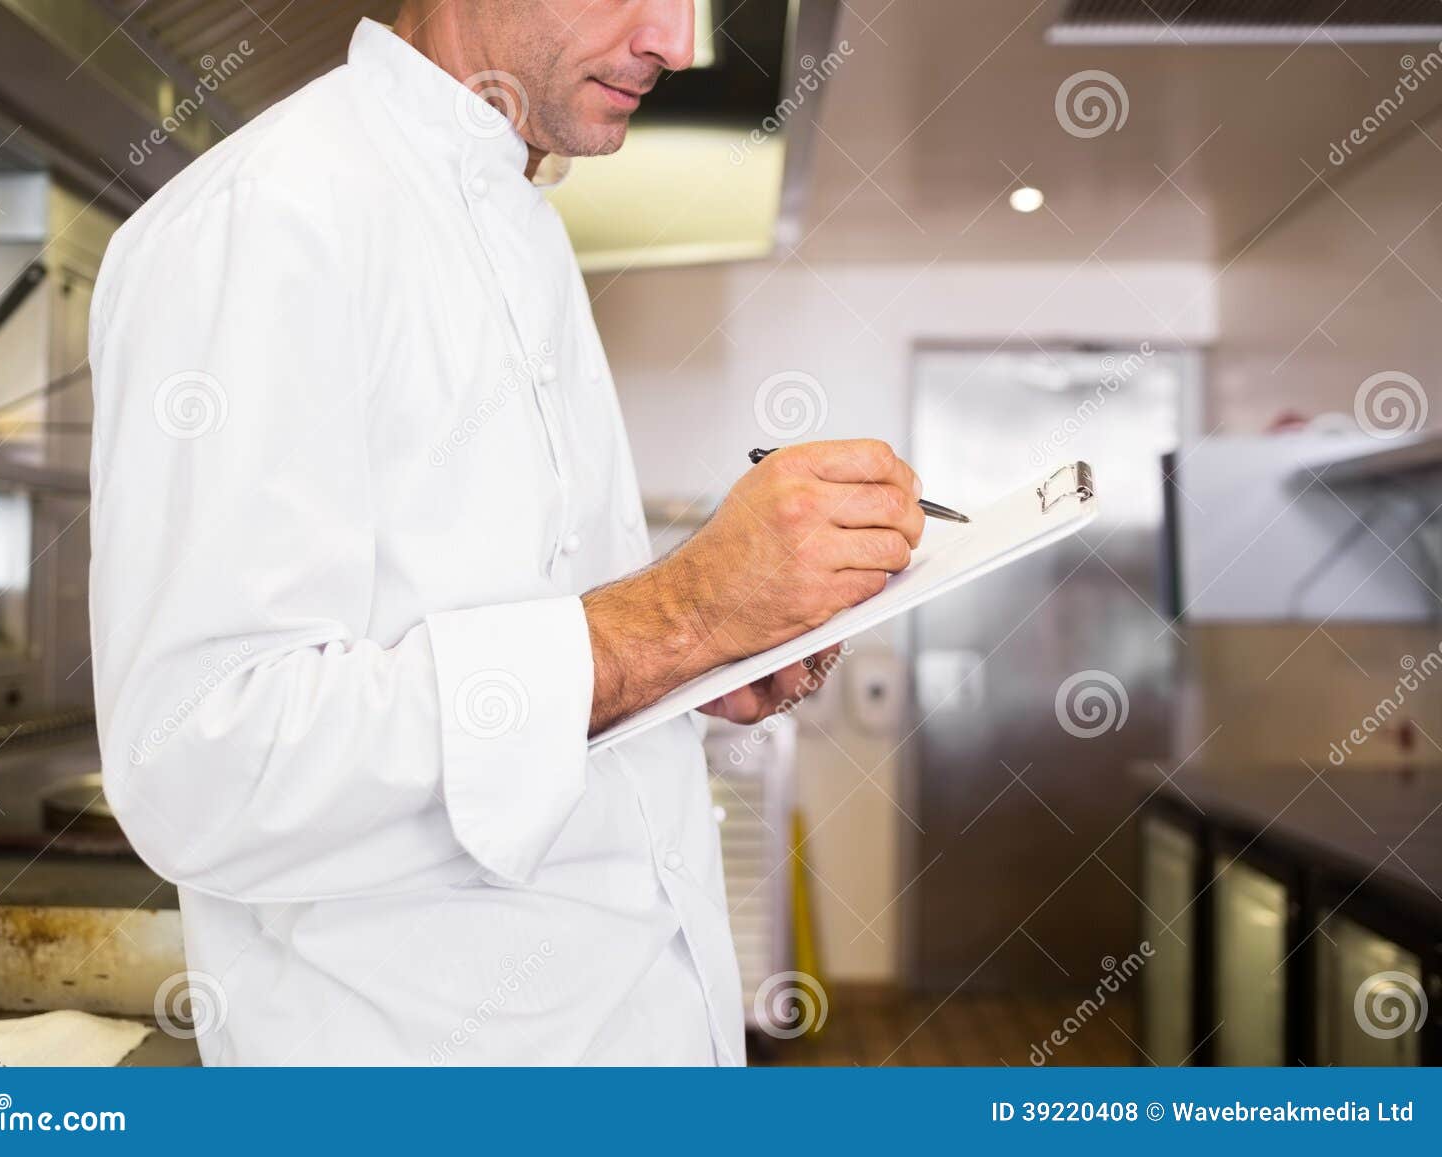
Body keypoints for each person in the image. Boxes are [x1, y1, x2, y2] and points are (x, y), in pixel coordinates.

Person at [88, 0, 924, 1065]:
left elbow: (528, 631)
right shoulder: (268, 217)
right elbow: (202, 762)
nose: (675, 42)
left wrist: (698, 654)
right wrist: (681, 614)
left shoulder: (515, 215)